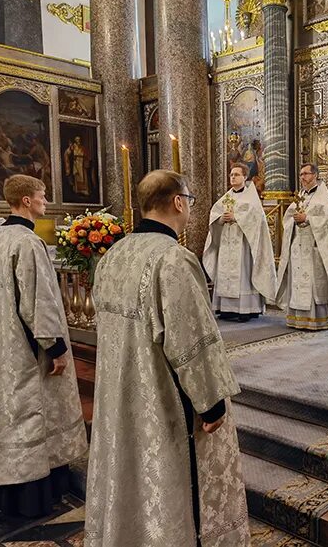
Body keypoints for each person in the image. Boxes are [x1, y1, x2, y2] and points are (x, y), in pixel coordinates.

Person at [85, 170, 249, 547]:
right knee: (170, 484)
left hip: (119, 398)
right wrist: (211, 404)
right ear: (178, 202)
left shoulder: (112, 256)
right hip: (163, 404)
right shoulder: (173, 259)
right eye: (189, 200)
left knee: (129, 479)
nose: (189, 207)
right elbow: (192, 341)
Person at [0, 174, 87, 518]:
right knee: (31, 414)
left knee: (11, 415)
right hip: (27, 349)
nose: (46, 200)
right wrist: (54, 348)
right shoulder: (28, 242)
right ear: (26, 201)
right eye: (41, 195)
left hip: (2, 347)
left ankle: (4, 492)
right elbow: (39, 302)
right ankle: (36, 492)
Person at [276, 163, 328, 330]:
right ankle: (296, 318)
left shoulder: (323, 197)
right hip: (298, 247)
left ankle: (316, 320)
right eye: (301, 174)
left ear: (315, 175)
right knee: (297, 282)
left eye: (306, 174)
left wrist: (308, 218)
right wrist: (294, 220)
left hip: (314, 248)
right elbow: (288, 219)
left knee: (314, 284)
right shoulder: (300, 197)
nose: (303, 177)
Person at [203, 163, 276, 322]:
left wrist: (237, 218)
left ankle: (246, 310)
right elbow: (214, 217)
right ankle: (226, 309)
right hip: (226, 243)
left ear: (245, 177)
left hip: (243, 245)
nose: (233, 177)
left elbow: (257, 220)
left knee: (243, 274)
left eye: (236, 174)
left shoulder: (251, 199)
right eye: (231, 175)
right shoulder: (225, 198)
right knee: (226, 273)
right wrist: (221, 219)